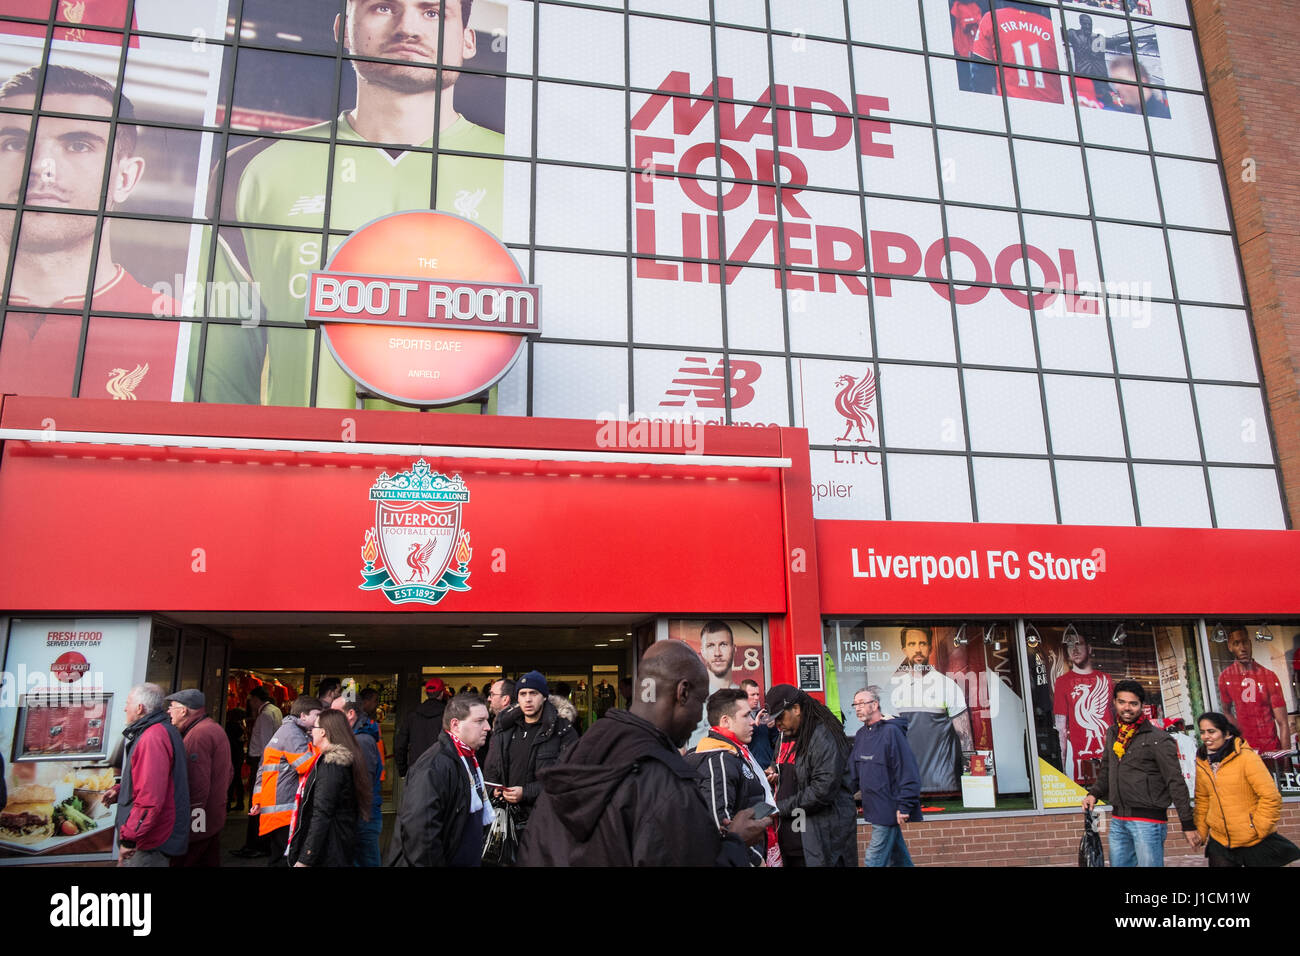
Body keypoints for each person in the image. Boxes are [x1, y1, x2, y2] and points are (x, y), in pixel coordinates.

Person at [198, 0, 505, 408]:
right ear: (344, 29)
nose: (408, 27)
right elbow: (219, 371)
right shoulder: (251, 169)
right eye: (383, 8)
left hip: (477, 467)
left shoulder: (526, 175)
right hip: (305, 464)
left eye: (433, 12)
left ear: (468, 39)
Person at [0, 65, 181, 401]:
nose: (41, 166)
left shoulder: (182, 332)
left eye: (79, 145)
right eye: (14, 143)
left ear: (125, 178)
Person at [519, 641, 766, 866]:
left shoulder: (577, 752)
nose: (700, 717)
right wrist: (736, 843)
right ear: (682, 693)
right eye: (700, 702)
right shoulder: (665, 784)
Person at [1082, 680, 1199, 867]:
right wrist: (1094, 793)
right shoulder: (1113, 733)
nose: (1127, 708)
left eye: (1133, 703)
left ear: (1142, 706)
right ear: (1114, 703)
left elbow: (1175, 781)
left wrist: (1188, 823)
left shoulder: (1158, 739)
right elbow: (1107, 768)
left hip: (1148, 822)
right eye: (1122, 702)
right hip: (1119, 819)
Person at [386, 693, 494, 867]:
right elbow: (421, 833)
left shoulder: (467, 758)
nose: (487, 727)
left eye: (487, 720)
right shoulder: (433, 766)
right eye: (479, 720)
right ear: (455, 725)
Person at [685, 688, 781, 867]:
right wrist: (754, 860)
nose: (753, 722)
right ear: (726, 721)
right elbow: (718, 826)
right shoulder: (718, 759)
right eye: (746, 716)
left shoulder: (736, 753)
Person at [765, 684, 857, 867]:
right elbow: (783, 763)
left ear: (796, 709)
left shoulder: (822, 734)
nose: (777, 724)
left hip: (820, 837)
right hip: (794, 836)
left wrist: (779, 808)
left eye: (780, 717)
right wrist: (774, 770)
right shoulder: (786, 735)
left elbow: (822, 790)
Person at [1193, 711, 1299, 867]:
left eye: (1211, 731)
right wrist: (1201, 833)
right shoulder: (1202, 761)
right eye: (1202, 732)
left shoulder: (1246, 758)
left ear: (1226, 733)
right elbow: (1203, 800)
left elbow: (1270, 796)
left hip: (1252, 838)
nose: (1206, 736)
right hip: (1220, 840)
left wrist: (1258, 828)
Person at [483, 670, 577, 835]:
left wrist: (526, 793)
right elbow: (490, 772)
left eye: (533, 693)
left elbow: (568, 778)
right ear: (517, 698)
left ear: (544, 697)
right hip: (506, 822)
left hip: (545, 822)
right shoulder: (504, 729)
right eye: (523, 693)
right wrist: (494, 790)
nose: (528, 699)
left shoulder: (563, 730)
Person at [110, 683, 189, 866]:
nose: (124, 708)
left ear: (139, 708)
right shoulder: (159, 731)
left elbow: (150, 796)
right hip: (151, 836)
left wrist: (130, 838)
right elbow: (154, 780)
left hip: (148, 841)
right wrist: (121, 790)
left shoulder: (152, 737)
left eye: (127, 703)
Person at [889, 625, 974, 794]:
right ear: (904, 649)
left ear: (930, 647)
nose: (918, 649)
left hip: (942, 783)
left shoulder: (946, 685)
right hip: (906, 781)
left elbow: (965, 738)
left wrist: (971, 777)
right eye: (912, 644)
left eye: (922, 643)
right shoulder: (894, 688)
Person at [240, 694, 322, 862]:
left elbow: (262, 770)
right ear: (303, 715)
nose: (319, 719)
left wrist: (258, 800)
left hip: (278, 806)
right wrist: (324, 746)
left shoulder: (289, 730)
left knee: (280, 855)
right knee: (285, 857)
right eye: (317, 715)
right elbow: (306, 765)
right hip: (284, 808)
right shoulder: (293, 733)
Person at [849, 686, 922, 867]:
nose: (857, 708)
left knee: (873, 859)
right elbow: (852, 772)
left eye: (862, 703)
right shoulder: (861, 735)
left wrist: (905, 805)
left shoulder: (891, 732)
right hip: (873, 806)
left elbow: (907, 770)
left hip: (889, 807)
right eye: (855, 704)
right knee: (898, 859)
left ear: (875, 705)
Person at [288, 709, 370, 868]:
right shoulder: (333, 761)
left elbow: (322, 812)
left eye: (314, 728)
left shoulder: (331, 765)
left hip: (329, 850)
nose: (311, 732)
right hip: (334, 845)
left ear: (324, 732)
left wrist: (306, 857)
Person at [165, 689, 232, 867]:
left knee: (187, 861)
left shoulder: (198, 735)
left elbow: (197, 785)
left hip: (200, 820)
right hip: (212, 815)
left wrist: (192, 825)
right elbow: (229, 772)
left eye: (171, 707)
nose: (168, 712)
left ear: (184, 711)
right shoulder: (212, 728)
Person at [969, 0, 1065, 103]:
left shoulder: (992, 18)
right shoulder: (1053, 28)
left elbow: (981, 74)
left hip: (1011, 106)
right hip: (1052, 110)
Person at [1217, 626, 1289, 753]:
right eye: (1236, 643)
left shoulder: (1268, 676)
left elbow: (1283, 722)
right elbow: (1226, 711)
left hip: (1271, 749)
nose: (1242, 648)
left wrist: (1286, 759)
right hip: (1246, 750)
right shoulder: (1225, 677)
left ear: (1250, 644)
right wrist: (1239, 733)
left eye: (1245, 642)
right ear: (1230, 647)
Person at [1053, 636, 1114, 785]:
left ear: (1089, 648)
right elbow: (1060, 726)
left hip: (1108, 752)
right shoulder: (1062, 682)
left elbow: (1115, 714)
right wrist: (1062, 766)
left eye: (1078, 644)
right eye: (1069, 645)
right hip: (1078, 755)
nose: (1074, 649)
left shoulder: (1106, 678)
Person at [340, 700, 384, 866]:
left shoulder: (362, 741)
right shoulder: (356, 737)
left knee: (365, 858)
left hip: (363, 813)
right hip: (362, 811)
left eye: (336, 712)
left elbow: (363, 781)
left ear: (350, 714)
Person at [395, 677, 449, 777]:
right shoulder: (448, 716)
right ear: (442, 693)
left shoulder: (412, 715)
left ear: (426, 693)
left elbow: (400, 745)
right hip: (442, 770)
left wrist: (403, 771)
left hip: (416, 770)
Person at [741, 678, 777, 771]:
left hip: (768, 769)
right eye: (752, 695)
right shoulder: (737, 718)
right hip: (749, 770)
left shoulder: (764, 715)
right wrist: (753, 725)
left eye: (757, 694)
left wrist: (773, 728)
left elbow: (777, 744)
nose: (756, 698)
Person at [701, 620, 738, 692]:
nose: (717, 653)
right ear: (703, 652)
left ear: (734, 649)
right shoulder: (693, 699)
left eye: (723, 644)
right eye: (710, 646)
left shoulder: (747, 698)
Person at [225, 707, 246, 812]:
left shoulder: (229, 726)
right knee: (237, 779)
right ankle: (239, 801)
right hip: (238, 755)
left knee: (232, 779)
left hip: (232, 754)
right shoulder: (239, 727)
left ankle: (228, 802)